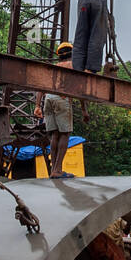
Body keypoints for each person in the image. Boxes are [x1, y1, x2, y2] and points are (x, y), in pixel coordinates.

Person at [34, 44, 88, 178]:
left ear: (59, 55)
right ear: (72, 53)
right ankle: (58, 170)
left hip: (48, 99)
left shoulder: (53, 68)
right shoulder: (74, 67)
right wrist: (84, 110)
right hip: (61, 99)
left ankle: (54, 170)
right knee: (65, 134)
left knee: (54, 135)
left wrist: (37, 106)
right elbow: (80, 91)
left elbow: (41, 86)